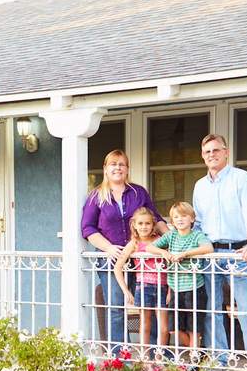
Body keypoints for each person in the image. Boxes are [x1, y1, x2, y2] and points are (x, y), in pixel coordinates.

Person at [192, 133, 247, 371]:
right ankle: (219, 360)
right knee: (212, 309)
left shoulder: (241, 179)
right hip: (210, 253)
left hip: (238, 252)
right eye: (207, 152)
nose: (212, 155)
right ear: (203, 156)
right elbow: (198, 223)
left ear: (226, 152)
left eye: (216, 150)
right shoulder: (199, 186)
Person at [81, 149, 168, 346]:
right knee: (116, 307)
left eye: (121, 164)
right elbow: (87, 228)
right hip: (111, 259)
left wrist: (171, 240)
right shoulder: (96, 196)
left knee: (149, 306)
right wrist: (109, 248)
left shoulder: (138, 192)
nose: (117, 167)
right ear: (105, 168)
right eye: (113, 164)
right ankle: (120, 358)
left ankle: (152, 354)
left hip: (142, 259)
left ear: (127, 168)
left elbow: (156, 219)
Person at [146, 202, 213, 351]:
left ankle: (193, 360)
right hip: (176, 288)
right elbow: (150, 247)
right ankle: (196, 351)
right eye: (176, 217)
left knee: (193, 327)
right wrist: (163, 252)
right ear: (172, 221)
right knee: (173, 328)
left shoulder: (197, 235)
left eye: (184, 216)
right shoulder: (171, 235)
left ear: (192, 219)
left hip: (194, 287)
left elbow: (208, 248)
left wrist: (185, 253)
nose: (180, 219)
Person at [113, 207, 169, 352]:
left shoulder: (160, 241)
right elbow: (117, 267)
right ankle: (145, 359)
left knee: (163, 327)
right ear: (135, 225)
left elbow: (171, 267)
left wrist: (171, 290)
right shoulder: (134, 244)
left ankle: (159, 357)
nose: (144, 227)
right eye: (141, 223)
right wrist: (126, 291)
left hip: (162, 287)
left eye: (147, 223)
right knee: (145, 325)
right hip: (143, 287)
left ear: (153, 225)